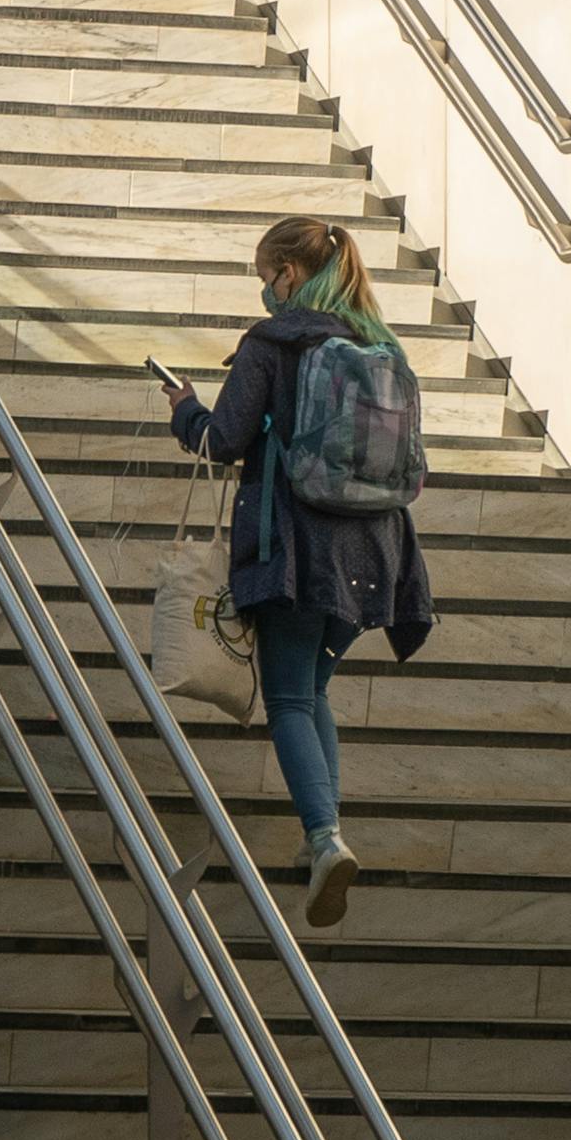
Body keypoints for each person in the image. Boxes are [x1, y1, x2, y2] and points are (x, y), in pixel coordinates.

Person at [165, 213, 432, 926]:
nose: (264, 291)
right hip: (378, 550)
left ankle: (324, 839)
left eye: (264, 277)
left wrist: (184, 408)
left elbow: (224, 439)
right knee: (312, 688)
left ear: (288, 272)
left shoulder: (275, 341)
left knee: (285, 697)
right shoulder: (379, 343)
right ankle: (328, 839)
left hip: (298, 543)